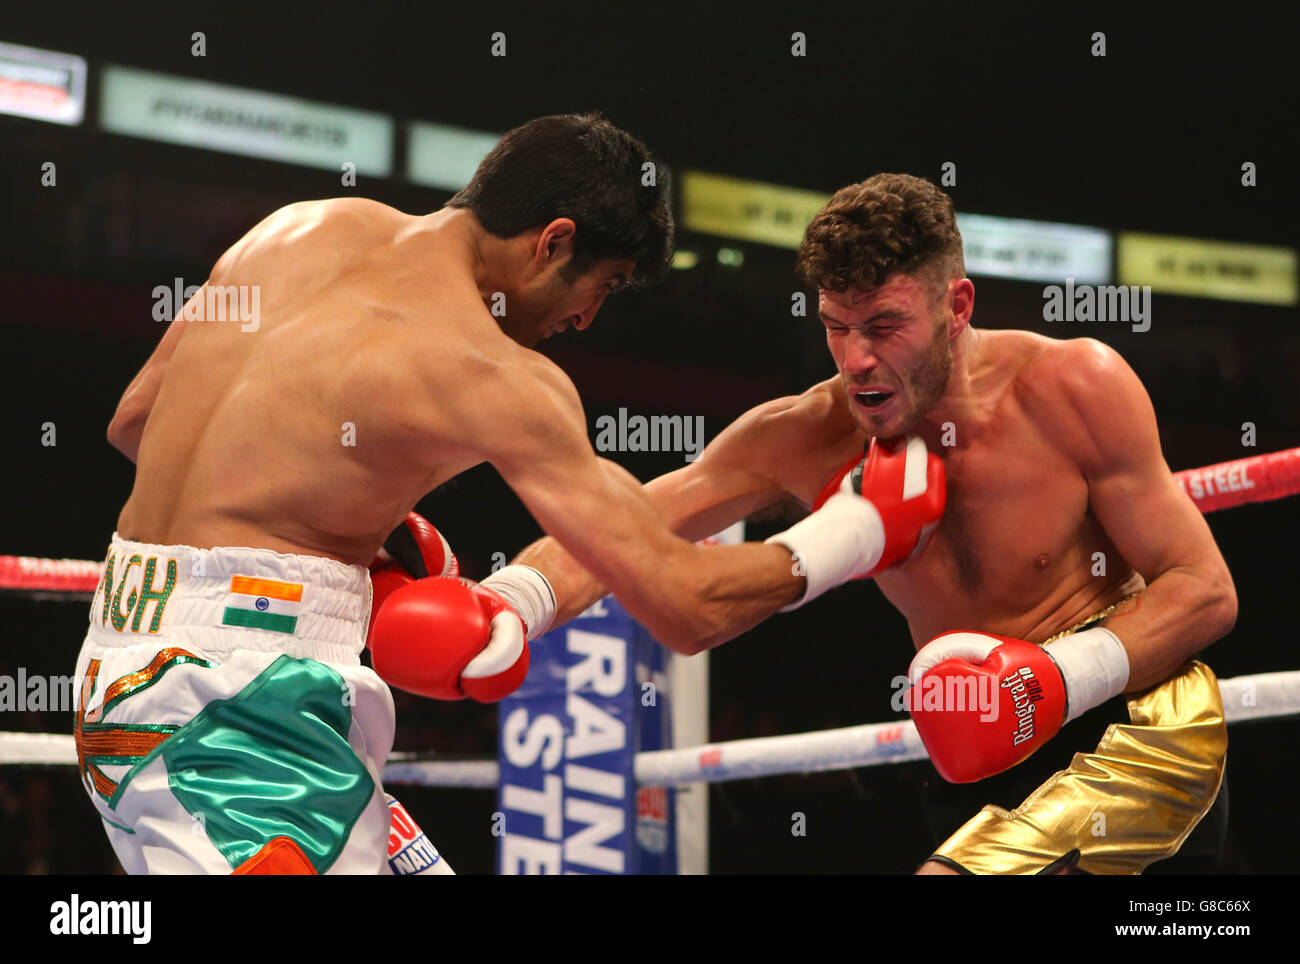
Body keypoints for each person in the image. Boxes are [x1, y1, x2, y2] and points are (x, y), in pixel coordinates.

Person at [75, 115, 939, 875]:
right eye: (601, 288)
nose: (587, 323)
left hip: (125, 660)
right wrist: (859, 530)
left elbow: (137, 424)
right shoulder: (496, 376)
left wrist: (348, 527)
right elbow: (683, 606)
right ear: (553, 241)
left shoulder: (300, 228)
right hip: (242, 714)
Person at [493, 173, 1237, 874]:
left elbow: (1204, 589)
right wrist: (507, 605)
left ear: (958, 305)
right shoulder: (808, 434)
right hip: (971, 754)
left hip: (1131, 727)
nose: (857, 359)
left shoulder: (1072, 385)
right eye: (836, 327)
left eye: (885, 325)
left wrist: (1054, 678)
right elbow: (619, 530)